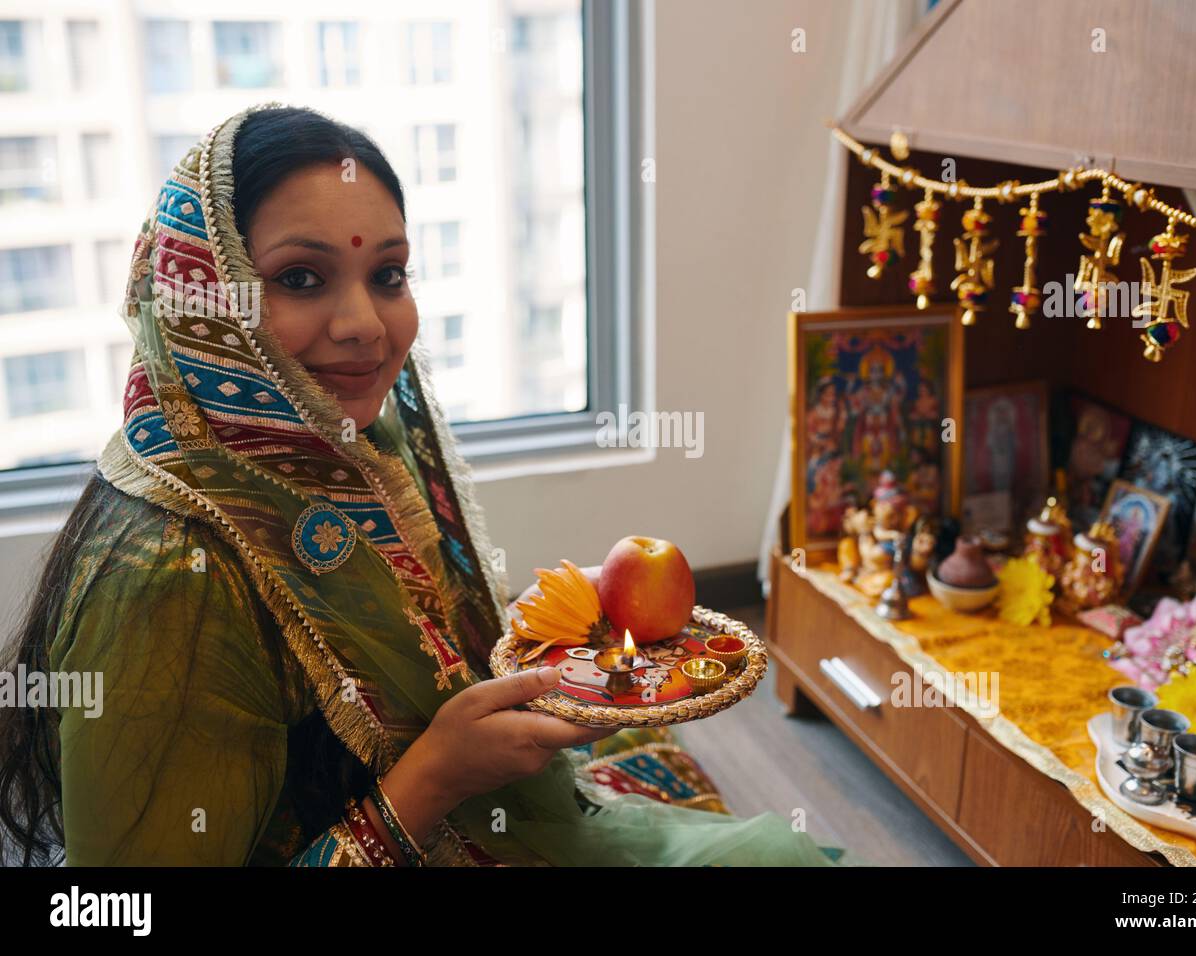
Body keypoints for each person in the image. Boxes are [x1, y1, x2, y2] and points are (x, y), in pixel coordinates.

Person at [0, 104, 855, 867]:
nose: (366, 326)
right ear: (200, 303)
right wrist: (434, 778)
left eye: (388, 275)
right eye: (301, 278)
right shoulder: (166, 578)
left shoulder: (340, 437)